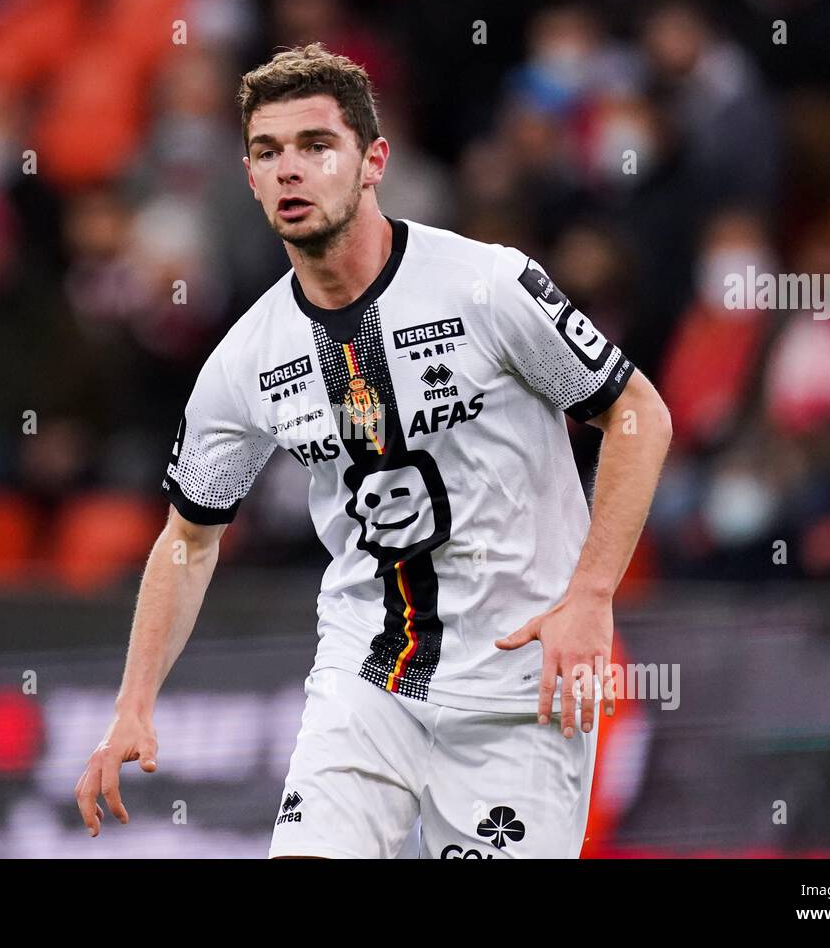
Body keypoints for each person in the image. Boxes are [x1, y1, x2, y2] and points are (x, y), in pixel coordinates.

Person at [75, 43, 672, 859]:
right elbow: (188, 537)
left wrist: (593, 594)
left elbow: (637, 413)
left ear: (372, 162)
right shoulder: (245, 360)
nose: (290, 170)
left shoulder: (488, 287)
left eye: (316, 146)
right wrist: (133, 704)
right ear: (248, 179)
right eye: (266, 152)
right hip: (366, 681)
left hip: (516, 687)